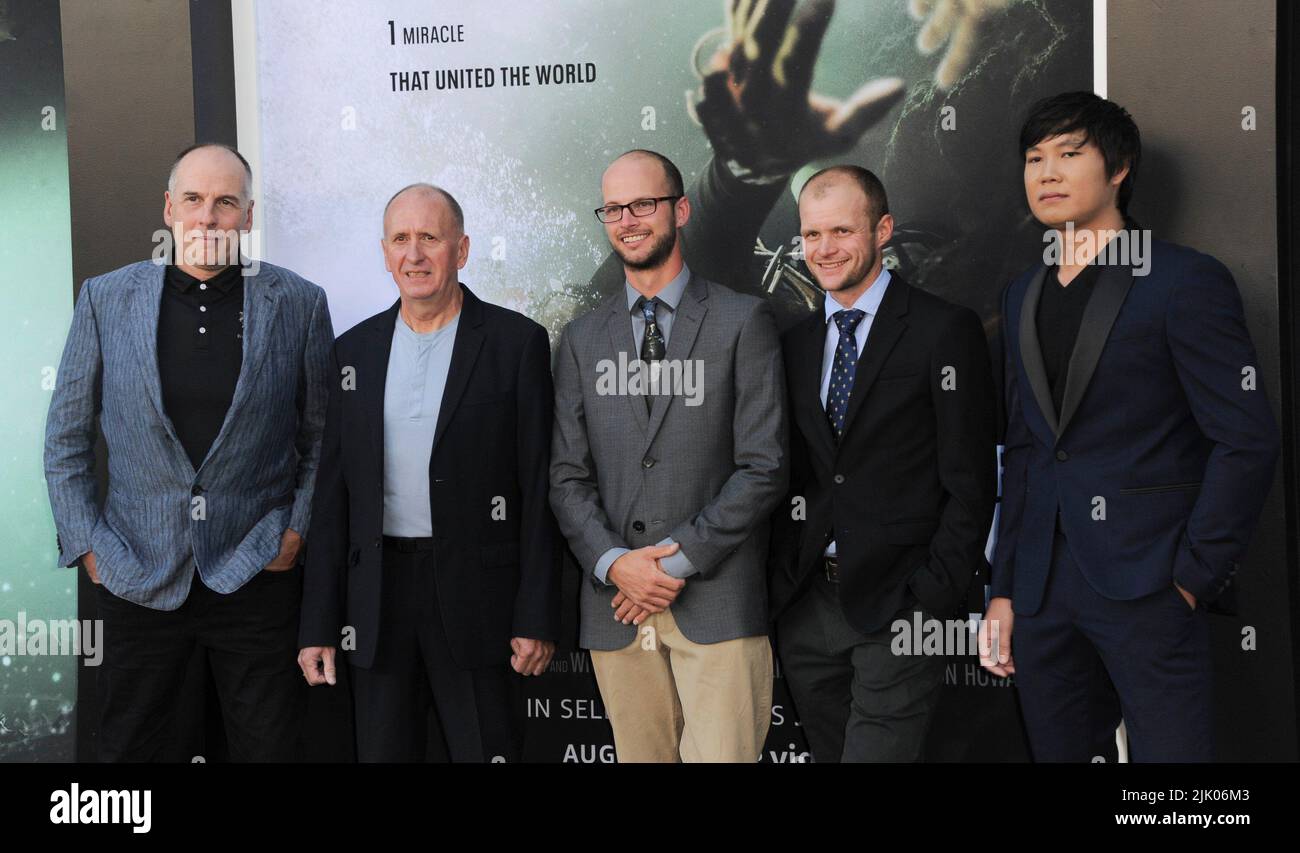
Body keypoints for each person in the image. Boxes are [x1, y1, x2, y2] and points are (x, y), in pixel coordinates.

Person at [980, 92, 1281, 762]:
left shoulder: (1182, 281)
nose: (1047, 172)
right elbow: (1027, 447)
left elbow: (1246, 437)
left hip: (1149, 583)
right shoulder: (1021, 293)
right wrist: (1004, 590)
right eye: (1035, 158)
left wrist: (1193, 575)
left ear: (1118, 167)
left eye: (1069, 153)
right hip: (1039, 592)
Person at [44, 143, 333, 761]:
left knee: (269, 749)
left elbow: (320, 439)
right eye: (195, 200)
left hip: (255, 573)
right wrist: (92, 549)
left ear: (248, 216)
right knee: (130, 755)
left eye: (226, 202)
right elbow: (65, 440)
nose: (208, 217)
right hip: (137, 574)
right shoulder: (104, 299)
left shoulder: (301, 304)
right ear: (169, 209)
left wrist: (294, 535)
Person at [297, 183, 560, 762]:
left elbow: (542, 487)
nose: (414, 255)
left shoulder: (517, 345)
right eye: (400, 239)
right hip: (378, 603)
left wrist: (536, 612)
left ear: (461, 250)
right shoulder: (352, 353)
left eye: (430, 238)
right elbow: (332, 495)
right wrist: (318, 623)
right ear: (385, 252)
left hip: (480, 603)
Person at [550, 150, 788, 762]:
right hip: (617, 611)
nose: (628, 220)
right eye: (614, 209)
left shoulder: (742, 321)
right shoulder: (580, 340)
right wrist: (615, 564)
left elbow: (764, 467)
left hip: (717, 605)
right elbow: (567, 477)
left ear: (680, 209)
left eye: (644, 205)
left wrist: (671, 565)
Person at [769, 165, 996, 762]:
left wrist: (931, 598)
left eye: (842, 230)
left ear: (884, 229)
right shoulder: (790, 344)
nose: (825, 249)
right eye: (812, 235)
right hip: (808, 611)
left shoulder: (943, 330)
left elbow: (971, 482)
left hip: (901, 604)